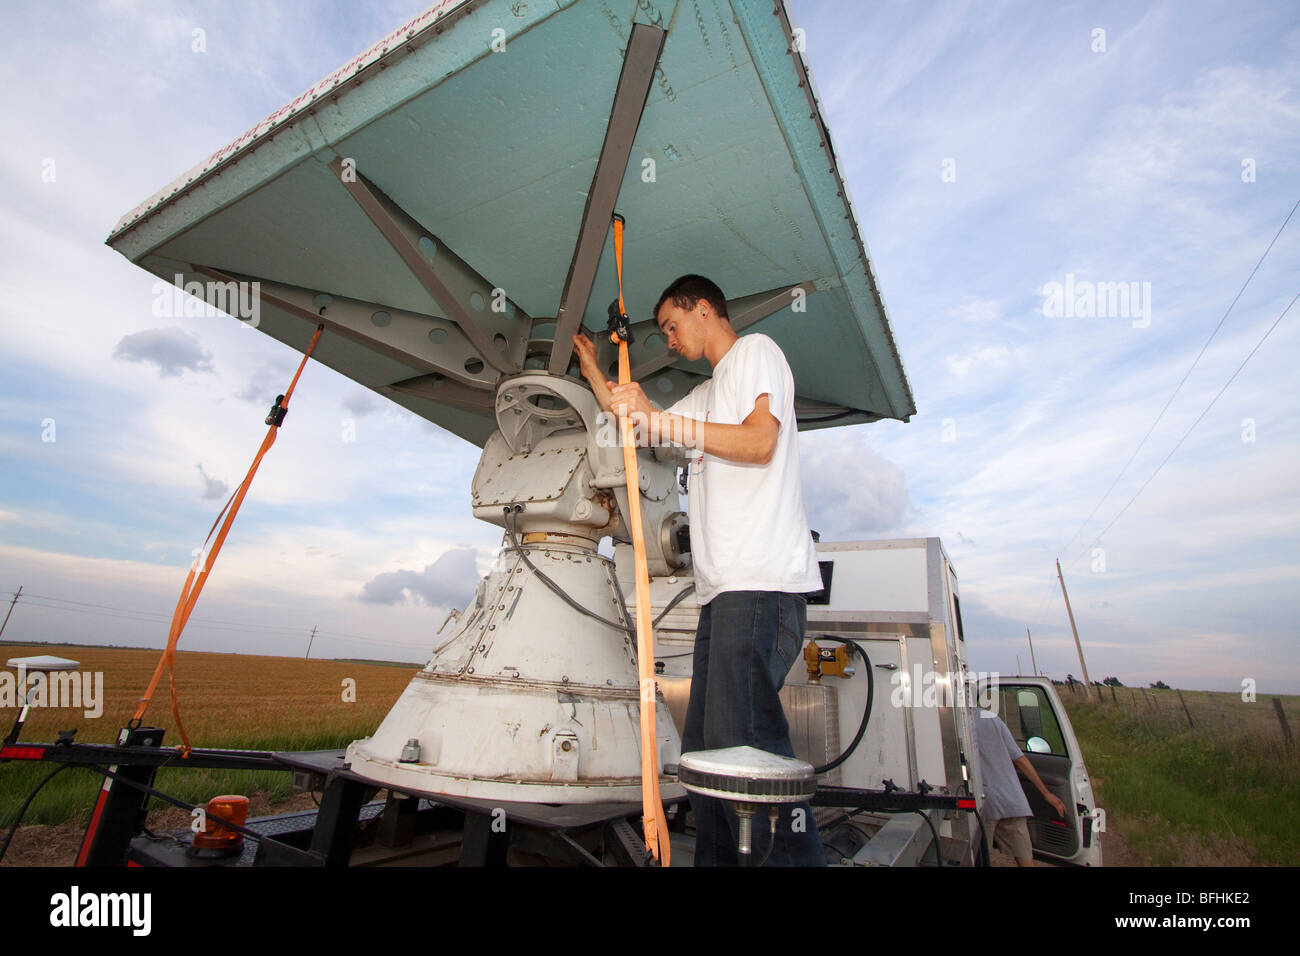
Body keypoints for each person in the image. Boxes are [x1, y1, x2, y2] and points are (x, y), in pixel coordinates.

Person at [572, 274, 825, 866]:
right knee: (707, 756)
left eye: (671, 325)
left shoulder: (756, 355)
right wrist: (592, 369)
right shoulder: (707, 396)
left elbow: (760, 442)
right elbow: (635, 421)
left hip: (760, 587)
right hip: (723, 598)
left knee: (747, 753)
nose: (668, 340)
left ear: (704, 308)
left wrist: (662, 423)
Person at [972, 708, 1067, 866]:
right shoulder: (991, 718)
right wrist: (1046, 793)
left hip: (985, 804)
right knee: (1026, 862)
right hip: (1012, 800)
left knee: (980, 859)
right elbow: (1020, 759)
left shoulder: (959, 722)